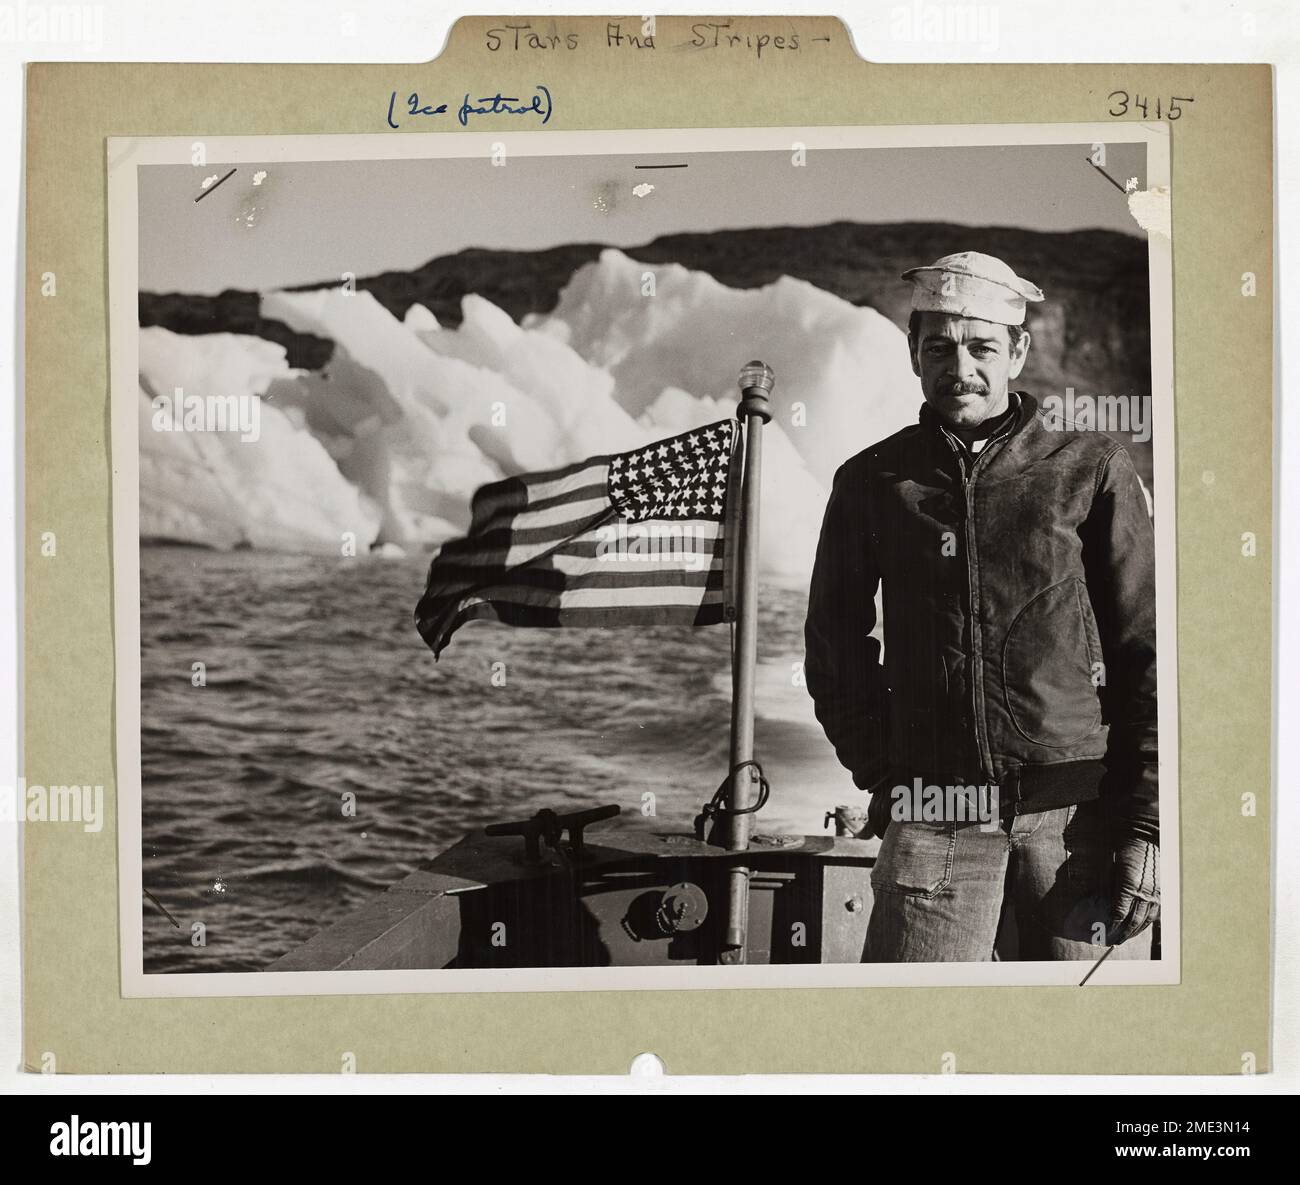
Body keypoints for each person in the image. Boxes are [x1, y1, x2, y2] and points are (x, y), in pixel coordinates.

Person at [803, 251, 1159, 962]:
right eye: (938, 346)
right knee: (909, 1053)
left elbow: (1149, 651)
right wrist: (888, 772)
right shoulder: (873, 480)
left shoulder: (1089, 469)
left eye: (981, 346)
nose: (959, 366)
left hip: (1078, 823)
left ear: (1018, 351)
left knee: (1085, 1059)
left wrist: (1146, 825)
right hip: (936, 818)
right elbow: (834, 648)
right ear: (912, 352)